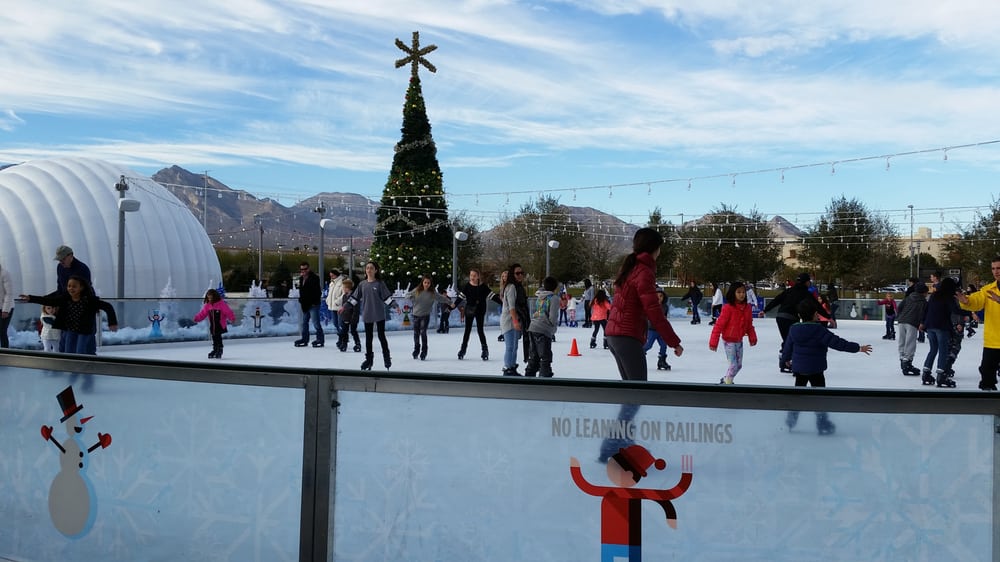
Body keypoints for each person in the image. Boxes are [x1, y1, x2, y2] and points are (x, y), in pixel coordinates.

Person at [602, 228, 684, 461]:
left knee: (632, 394)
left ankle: (622, 444)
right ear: (655, 249)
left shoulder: (631, 268)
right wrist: (673, 342)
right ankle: (613, 446)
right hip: (626, 336)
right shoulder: (643, 272)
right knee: (638, 393)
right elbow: (654, 313)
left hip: (616, 335)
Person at [781, 298, 873, 435]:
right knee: (820, 398)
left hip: (800, 370)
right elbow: (838, 343)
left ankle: (791, 421)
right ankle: (822, 423)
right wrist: (858, 348)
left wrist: (785, 360)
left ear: (800, 316)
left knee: (798, 396)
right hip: (816, 370)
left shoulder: (794, 329)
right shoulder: (818, 330)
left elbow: (787, 346)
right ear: (814, 315)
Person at [958, 258, 1000, 391]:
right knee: (986, 375)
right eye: (993, 268)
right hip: (992, 341)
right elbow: (977, 300)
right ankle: (989, 404)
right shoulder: (989, 289)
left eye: (999, 268)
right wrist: (966, 301)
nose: (996, 271)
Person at [763, 272, 815, 373]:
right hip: (791, 319)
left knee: (788, 340)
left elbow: (777, 300)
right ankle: (787, 362)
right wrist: (826, 316)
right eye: (809, 281)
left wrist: (765, 310)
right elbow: (816, 305)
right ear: (806, 282)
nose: (810, 283)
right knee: (791, 340)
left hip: (780, 317)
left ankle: (784, 361)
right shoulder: (806, 293)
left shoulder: (789, 290)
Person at [709, 281, 758, 384]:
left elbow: (749, 325)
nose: (741, 294)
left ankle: (725, 380)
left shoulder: (747, 308)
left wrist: (752, 337)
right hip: (728, 341)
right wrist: (713, 341)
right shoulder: (728, 308)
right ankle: (727, 383)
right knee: (733, 365)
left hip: (739, 340)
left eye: (743, 292)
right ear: (733, 293)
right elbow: (718, 326)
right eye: (738, 292)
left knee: (739, 366)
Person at [348, 261, 394, 371]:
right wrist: (345, 306)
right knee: (368, 339)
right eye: (367, 268)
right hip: (367, 314)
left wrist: (395, 305)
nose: (369, 270)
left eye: (371, 268)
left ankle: (386, 357)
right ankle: (369, 360)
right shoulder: (362, 284)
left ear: (376, 270)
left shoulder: (379, 284)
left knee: (381, 336)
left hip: (379, 314)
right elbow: (354, 298)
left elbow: (386, 297)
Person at [919, 276, 959, 388]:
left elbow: (926, 309)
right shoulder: (948, 297)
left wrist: (923, 322)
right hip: (942, 326)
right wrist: (970, 313)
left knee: (933, 349)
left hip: (930, 326)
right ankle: (941, 376)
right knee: (943, 351)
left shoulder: (934, 295)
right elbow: (955, 310)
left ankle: (926, 374)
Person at [405, 276, 453, 360]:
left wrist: (449, 302)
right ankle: (416, 349)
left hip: (425, 315)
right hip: (416, 315)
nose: (426, 284)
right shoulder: (417, 290)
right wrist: (410, 297)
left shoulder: (432, 292)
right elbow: (407, 295)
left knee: (423, 333)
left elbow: (441, 298)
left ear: (430, 284)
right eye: (425, 282)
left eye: (428, 283)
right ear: (422, 283)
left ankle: (424, 351)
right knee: (416, 333)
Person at [525, 276, 560, 377]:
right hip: (543, 329)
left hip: (533, 327)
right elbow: (553, 316)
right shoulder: (554, 298)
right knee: (545, 356)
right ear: (555, 287)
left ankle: (529, 376)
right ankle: (545, 376)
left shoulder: (540, 296)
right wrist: (553, 329)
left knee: (534, 356)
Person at [457, 268, 492, 361]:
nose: (472, 277)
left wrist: (503, 302)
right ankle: (463, 349)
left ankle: (485, 350)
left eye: (474, 275)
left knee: (480, 330)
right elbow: (460, 297)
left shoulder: (483, 287)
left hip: (480, 311)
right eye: (471, 275)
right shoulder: (467, 286)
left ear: (478, 276)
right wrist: (452, 306)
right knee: (467, 330)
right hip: (469, 310)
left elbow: (492, 296)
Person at [895, 281, 928, 376]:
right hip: (912, 322)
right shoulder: (923, 302)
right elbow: (923, 314)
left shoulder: (908, 297)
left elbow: (899, 307)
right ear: (924, 292)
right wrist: (922, 323)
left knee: (902, 341)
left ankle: (902, 359)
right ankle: (907, 362)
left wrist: (900, 316)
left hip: (901, 321)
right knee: (910, 343)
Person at [193, 288, 236, 359]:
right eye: (208, 297)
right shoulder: (208, 305)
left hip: (220, 324)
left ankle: (220, 349)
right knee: (214, 337)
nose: (209, 299)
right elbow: (203, 314)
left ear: (215, 296)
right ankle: (215, 349)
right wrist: (197, 318)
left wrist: (232, 318)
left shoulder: (221, 304)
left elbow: (228, 311)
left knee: (218, 337)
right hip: (213, 325)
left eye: (211, 297)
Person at [499, 263, 526, 376]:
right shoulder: (511, 287)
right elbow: (511, 307)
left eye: (521, 273)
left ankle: (512, 367)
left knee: (514, 346)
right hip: (509, 321)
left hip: (515, 320)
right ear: (512, 274)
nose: (520, 275)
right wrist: (515, 321)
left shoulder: (517, 287)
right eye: (517, 273)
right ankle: (508, 368)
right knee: (510, 347)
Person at [294, 262, 324, 348]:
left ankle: (320, 339)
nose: (303, 271)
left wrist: (314, 302)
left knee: (316, 323)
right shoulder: (300, 279)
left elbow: (317, 291)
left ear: (308, 269)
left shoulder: (314, 278)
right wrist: (301, 299)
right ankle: (305, 339)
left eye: (305, 269)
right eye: (302, 269)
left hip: (313, 304)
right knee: (304, 323)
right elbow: (302, 291)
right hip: (305, 304)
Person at [642, 289, 672, 371]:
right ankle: (638, 356)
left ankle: (661, 361)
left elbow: (665, 317)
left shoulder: (665, 307)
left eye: (661, 296)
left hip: (661, 330)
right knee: (649, 345)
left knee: (663, 345)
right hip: (652, 329)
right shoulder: (651, 306)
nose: (659, 298)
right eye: (657, 296)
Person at [335, 278, 362, 353]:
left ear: (347, 288)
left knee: (353, 331)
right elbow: (344, 306)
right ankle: (344, 344)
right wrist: (341, 313)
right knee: (344, 331)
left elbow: (356, 309)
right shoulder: (344, 296)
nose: (343, 289)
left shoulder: (354, 297)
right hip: (345, 317)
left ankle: (357, 343)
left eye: (343, 288)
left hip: (353, 317)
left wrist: (354, 318)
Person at [325, 269, 347, 342]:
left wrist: (337, 301)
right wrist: (328, 300)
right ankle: (342, 336)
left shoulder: (342, 282)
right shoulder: (332, 283)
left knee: (340, 323)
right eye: (330, 275)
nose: (331, 277)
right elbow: (330, 293)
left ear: (336, 275)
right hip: (333, 307)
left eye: (332, 275)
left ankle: (342, 338)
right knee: (335, 323)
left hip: (339, 307)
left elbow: (344, 294)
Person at [0, 261, 13, 348]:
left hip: (6, 307)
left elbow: (9, 293)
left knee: (2, 331)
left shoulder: (4, 274)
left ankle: (5, 353)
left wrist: (5, 310)